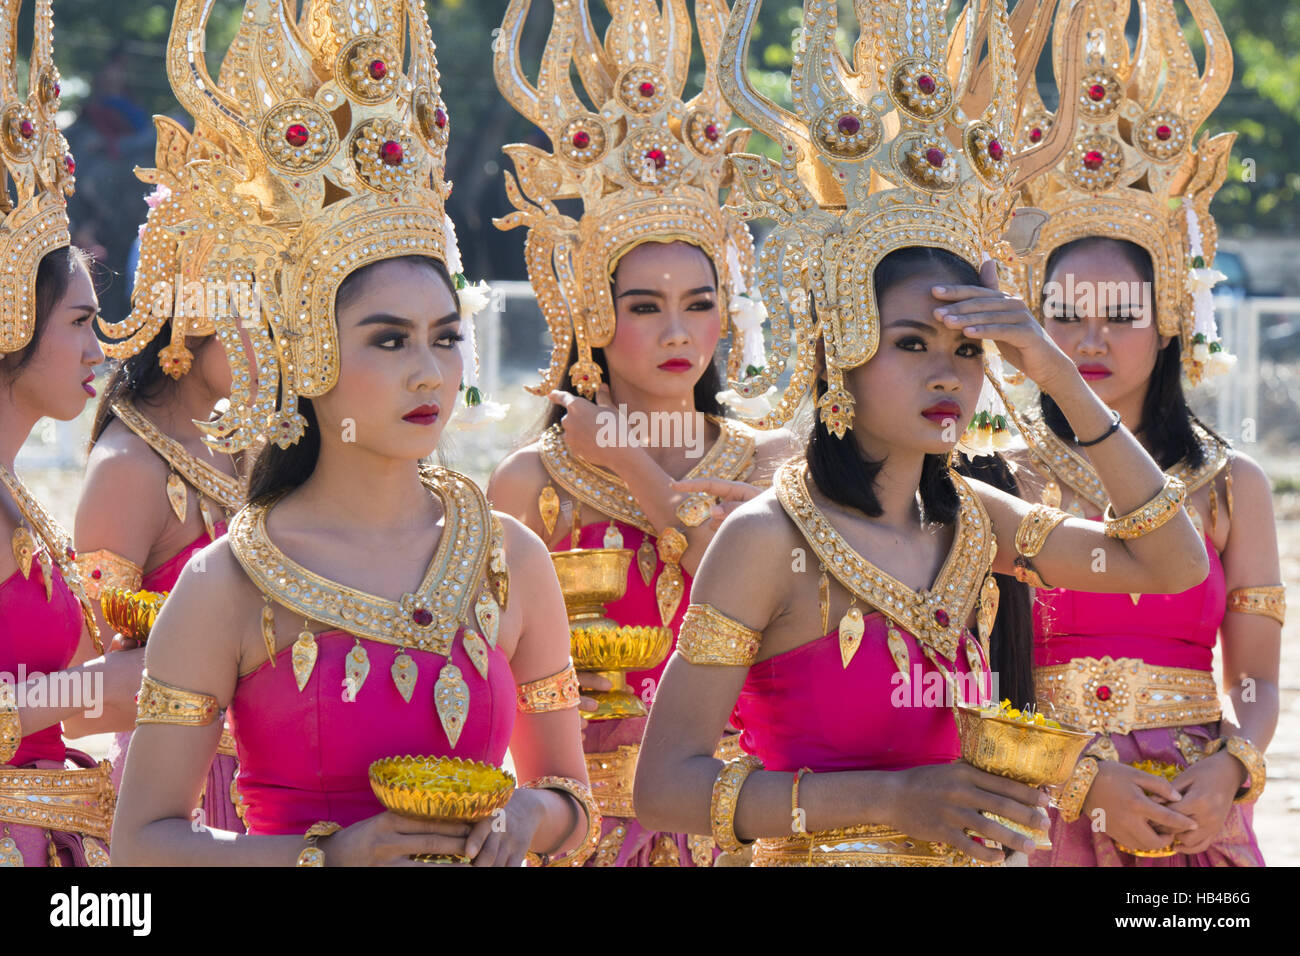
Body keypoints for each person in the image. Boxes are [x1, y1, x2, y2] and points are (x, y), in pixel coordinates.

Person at [634, 0, 1209, 867]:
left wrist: (1053, 372)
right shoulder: (768, 539)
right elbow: (665, 785)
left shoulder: (976, 521)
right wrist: (894, 800)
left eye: (968, 349)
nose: (949, 373)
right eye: (911, 344)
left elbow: (1172, 564)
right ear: (844, 349)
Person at [110, 0, 595, 867]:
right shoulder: (229, 582)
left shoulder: (511, 558)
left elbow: (572, 797)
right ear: (307, 353)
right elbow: (145, 842)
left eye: (446, 338)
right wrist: (325, 859)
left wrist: (528, 820)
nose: (429, 373)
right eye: (388, 340)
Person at [487, 0, 796, 866]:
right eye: (645, 307)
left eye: (700, 305)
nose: (677, 334)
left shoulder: (774, 462)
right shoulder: (528, 488)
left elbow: (734, 584)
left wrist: (621, 452)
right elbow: (487, 687)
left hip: (742, 828)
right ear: (593, 315)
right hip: (578, 834)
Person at [999, 0, 1276, 865]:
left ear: (1169, 322)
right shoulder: (992, 479)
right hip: (1042, 808)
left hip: (1193, 813)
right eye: (1065, 318)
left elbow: (1257, 676)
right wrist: (1087, 783)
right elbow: (963, 686)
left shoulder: (1233, 488)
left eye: (1120, 316)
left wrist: (1234, 764)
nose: (1090, 342)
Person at [75, 110, 249, 833]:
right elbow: (89, 683)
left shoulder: (250, 441)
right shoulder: (126, 469)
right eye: (255, 315)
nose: (273, 344)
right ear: (191, 315)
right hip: (179, 806)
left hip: (280, 790)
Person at [0, 0, 141, 866]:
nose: (102, 346)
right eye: (81, 323)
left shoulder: (20, 498)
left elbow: (80, 701)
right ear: (16, 320)